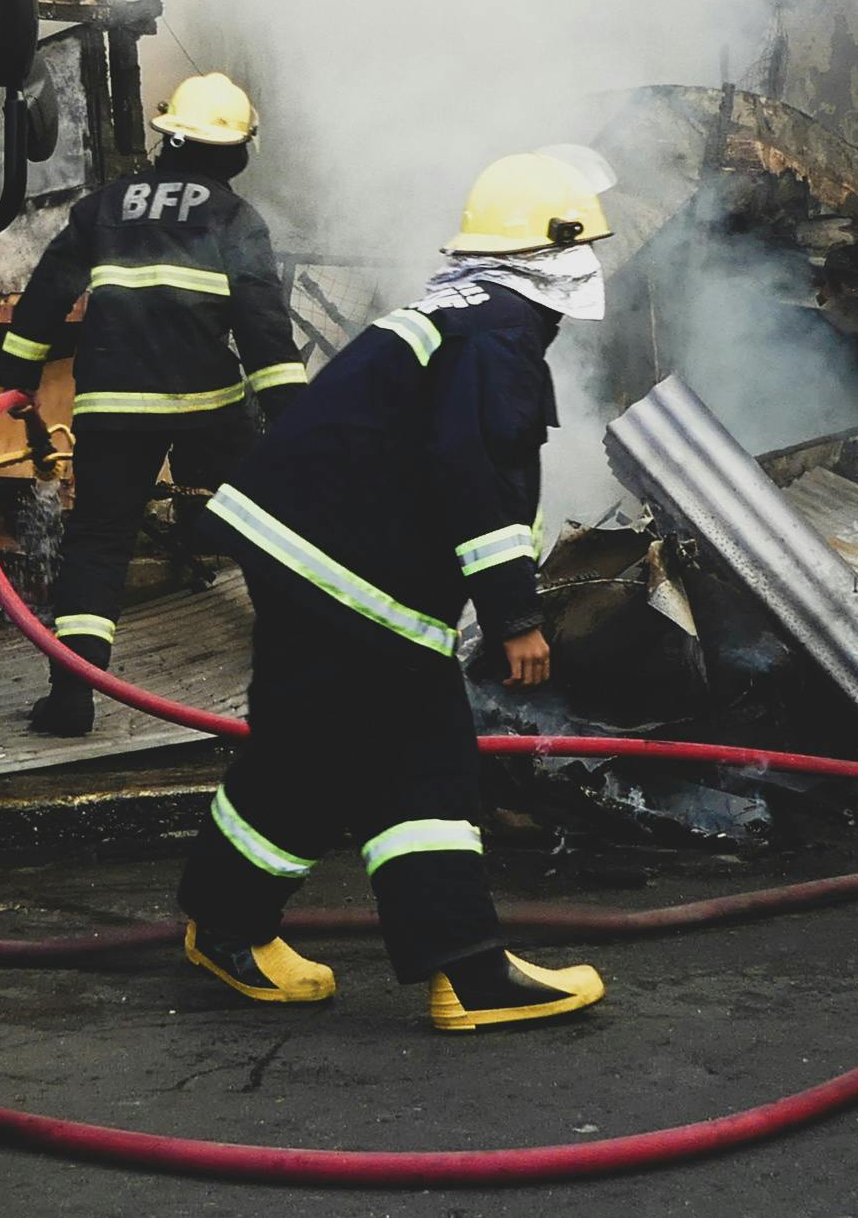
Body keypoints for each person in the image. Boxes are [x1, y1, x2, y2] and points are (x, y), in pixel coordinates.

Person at [172, 148, 616, 1032]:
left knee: (309, 746)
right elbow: (473, 469)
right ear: (553, 253)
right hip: (349, 570)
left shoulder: (462, 306)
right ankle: (467, 972)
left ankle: (225, 926)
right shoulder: (499, 330)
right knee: (425, 752)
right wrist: (515, 613)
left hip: (301, 547)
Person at [4, 71, 305, 735]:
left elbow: (45, 299)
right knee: (262, 528)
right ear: (235, 152)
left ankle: (73, 698)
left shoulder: (102, 208)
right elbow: (264, 333)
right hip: (210, 402)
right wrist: (297, 422)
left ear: (167, 137)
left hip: (113, 405)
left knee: (100, 545)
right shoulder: (234, 217)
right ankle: (301, 678)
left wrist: (17, 377)